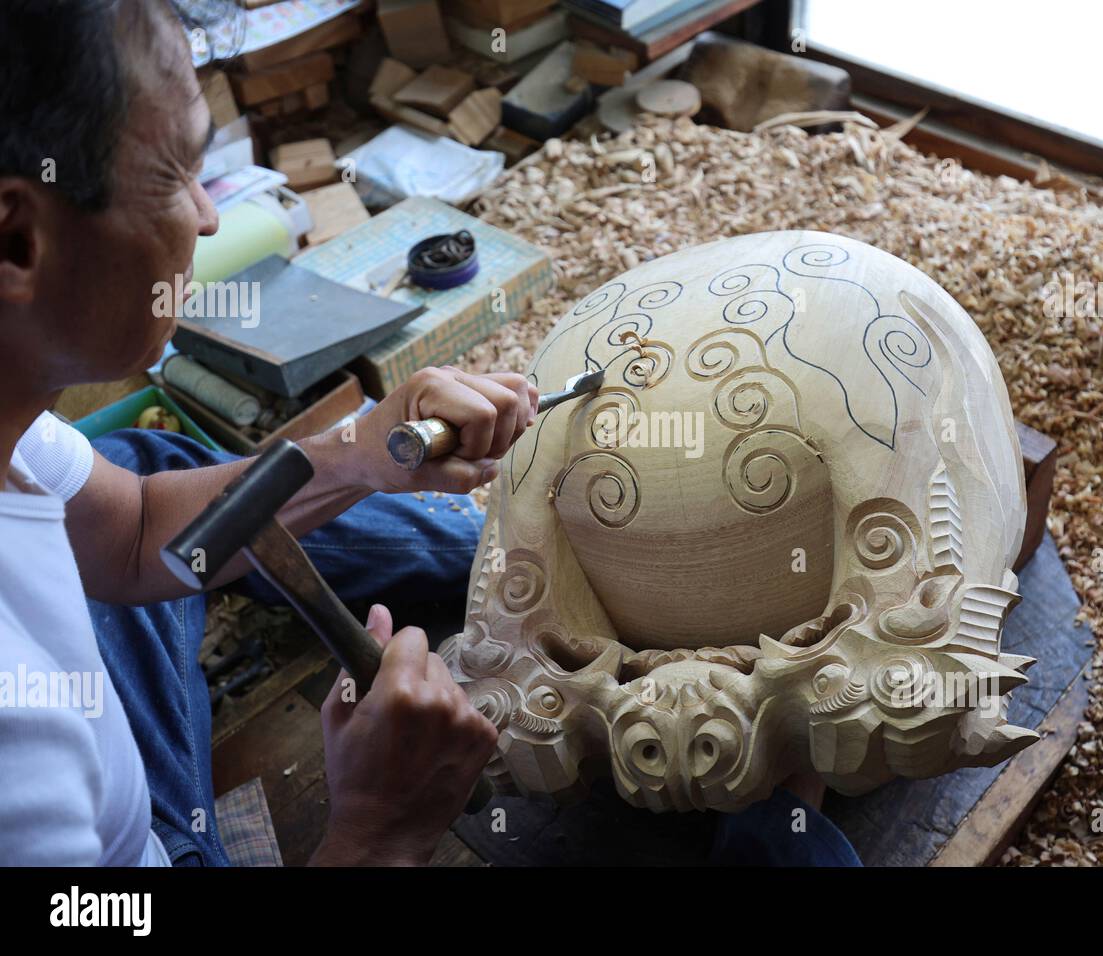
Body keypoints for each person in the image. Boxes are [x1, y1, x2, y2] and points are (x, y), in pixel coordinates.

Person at [0, 0, 860, 867]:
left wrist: (360, 452)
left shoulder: (14, 432)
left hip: (95, 780)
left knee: (136, 469)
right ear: (17, 238)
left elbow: (138, 528)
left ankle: (520, 572)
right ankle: (784, 814)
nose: (211, 218)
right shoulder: (16, 754)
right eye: (176, 176)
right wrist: (379, 828)